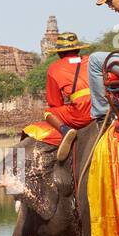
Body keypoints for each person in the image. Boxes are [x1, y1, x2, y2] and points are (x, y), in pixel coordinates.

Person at [41, 32, 93, 160]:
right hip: (103, 105)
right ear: (78, 49)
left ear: (59, 53)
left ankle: (65, 131)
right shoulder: (90, 59)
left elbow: (55, 103)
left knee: (48, 112)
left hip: (82, 113)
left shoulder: (55, 68)